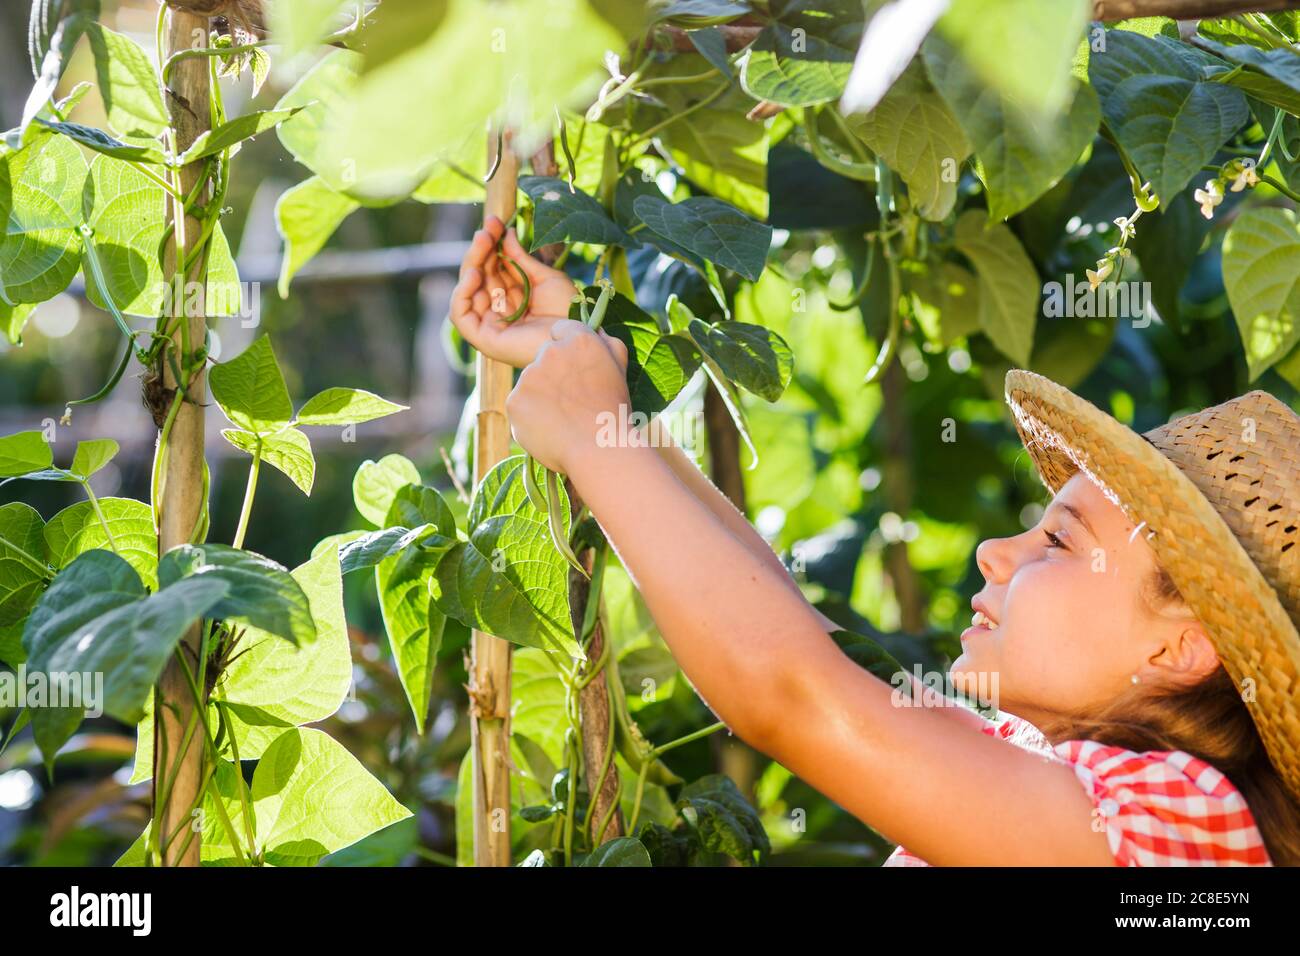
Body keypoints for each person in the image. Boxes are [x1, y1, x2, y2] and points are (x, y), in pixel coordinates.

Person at [449, 215, 1300, 866]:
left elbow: (792, 694)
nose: (995, 554)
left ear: (1185, 647)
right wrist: (595, 382)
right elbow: (797, 641)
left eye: (1059, 543)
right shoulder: (1070, 781)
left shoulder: (1183, 835)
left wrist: (593, 433)